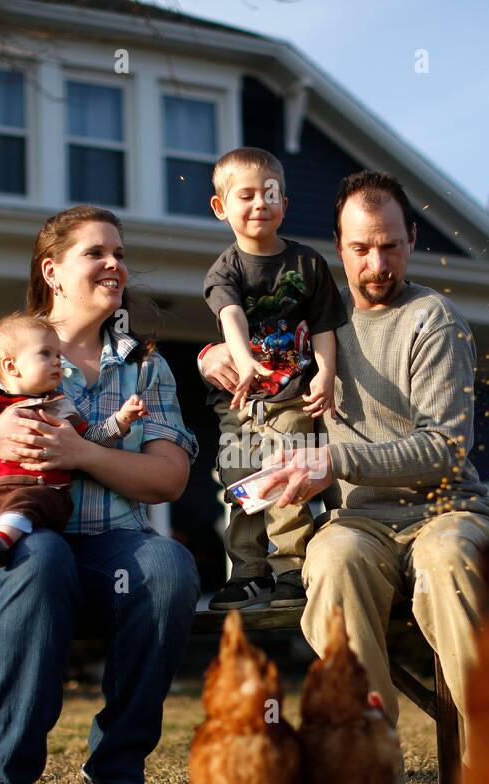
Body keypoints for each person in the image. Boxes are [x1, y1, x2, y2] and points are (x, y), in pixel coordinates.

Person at [200, 171, 489, 734]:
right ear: (339, 248)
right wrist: (212, 355)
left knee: (447, 561)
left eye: (390, 246)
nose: (377, 265)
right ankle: (369, 761)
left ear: (412, 240)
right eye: (361, 249)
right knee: (333, 559)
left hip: (448, 513)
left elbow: (443, 449)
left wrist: (335, 462)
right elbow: (251, 349)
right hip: (359, 522)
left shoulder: (431, 320)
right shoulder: (312, 321)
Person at [0, 205, 201, 784]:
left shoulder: (145, 365)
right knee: (41, 555)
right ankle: (2, 778)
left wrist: (82, 452)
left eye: (121, 254)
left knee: (169, 567)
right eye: (97, 253)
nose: (115, 265)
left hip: (110, 551)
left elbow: (169, 477)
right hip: (9, 540)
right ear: (52, 271)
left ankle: (118, 773)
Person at [0, 312, 147, 619]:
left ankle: (2, 542)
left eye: (58, 355)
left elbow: (93, 437)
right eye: (46, 355)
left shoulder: (59, 406)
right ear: (11, 366)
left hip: (45, 491)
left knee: (22, 502)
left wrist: (122, 421)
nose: (58, 362)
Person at [199, 147, 347, 611]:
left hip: (292, 398)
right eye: (246, 195)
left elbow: (324, 325)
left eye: (270, 193)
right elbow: (231, 316)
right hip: (241, 402)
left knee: (286, 478)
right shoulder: (226, 269)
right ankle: (247, 572)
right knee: (241, 482)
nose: (260, 203)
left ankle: (290, 569)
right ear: (221, 207)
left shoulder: (307, 264)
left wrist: (325, 373)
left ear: (285, 202)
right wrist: (243, 361)